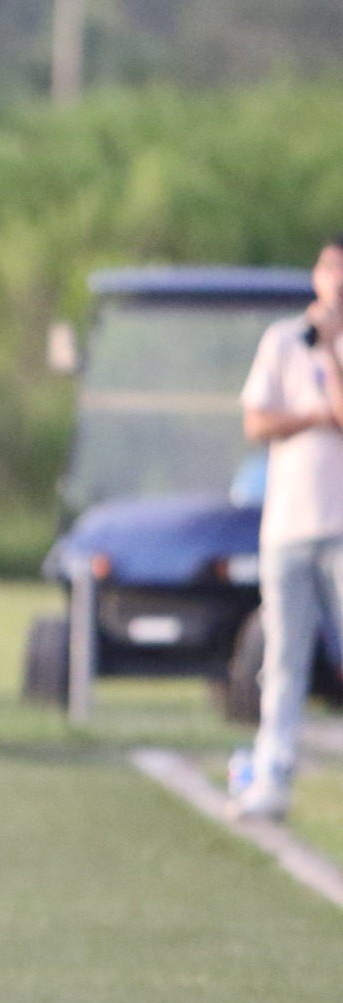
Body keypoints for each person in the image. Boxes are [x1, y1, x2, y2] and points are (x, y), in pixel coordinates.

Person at [232, 235, 343, 822]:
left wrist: (329, 355)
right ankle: (272, 774)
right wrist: (312, 415)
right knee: (283, 657)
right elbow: (257, 420)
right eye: (331, 269)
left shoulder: (327, 348)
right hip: (288, 527)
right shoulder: (280, 341)